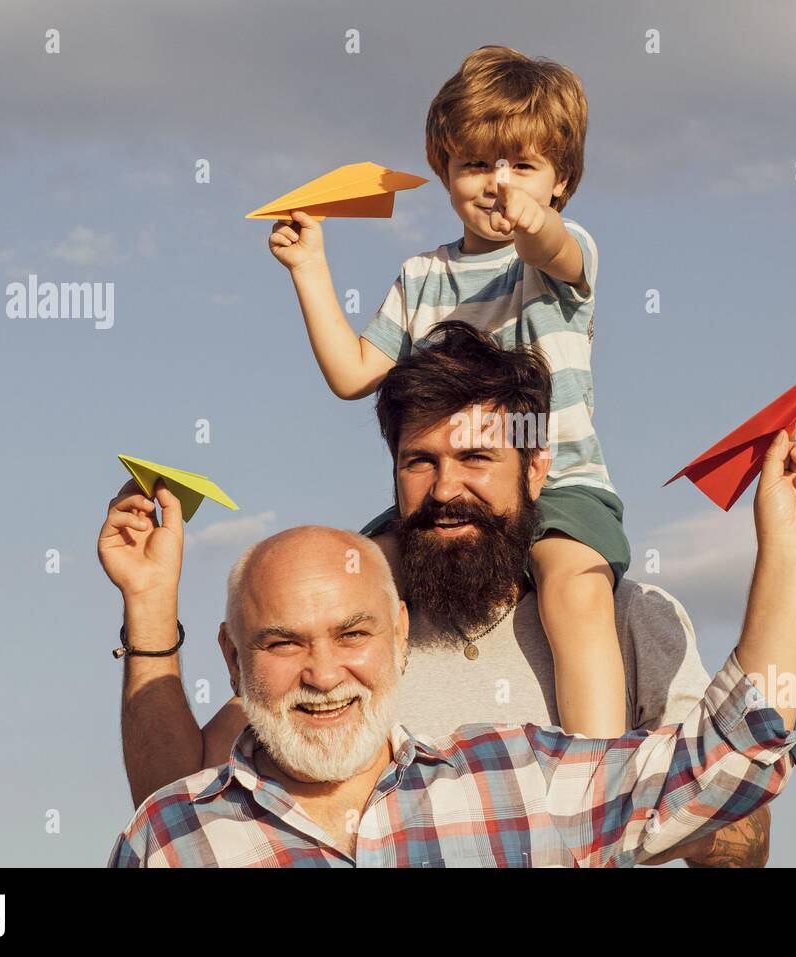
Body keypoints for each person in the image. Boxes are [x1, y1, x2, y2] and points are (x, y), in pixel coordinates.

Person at [102, 322, 777, 866]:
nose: (446, 488)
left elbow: (744, 830)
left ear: (536, 468)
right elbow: (178, 808)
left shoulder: (627, 617)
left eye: (477, 459)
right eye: (420, 461)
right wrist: (150, 602)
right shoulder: (348, 641)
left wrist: (601, 816)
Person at [267, 45, 628, 738]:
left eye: (523, 166)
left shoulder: (558, 255)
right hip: (446, 487)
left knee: (575, 589)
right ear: (446, 173)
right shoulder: (423, 276)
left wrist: (538, 225)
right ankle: (323, 750)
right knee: (353, 575)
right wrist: (309, 267)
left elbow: (559, 250)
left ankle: (599, 768)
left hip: (562, 482)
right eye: (477, 165)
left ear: (562, 182)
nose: (500, 185)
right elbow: (351, 372)